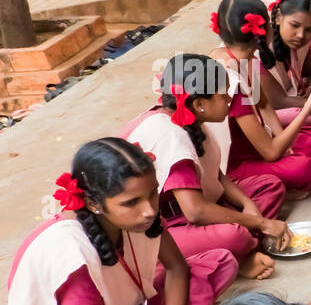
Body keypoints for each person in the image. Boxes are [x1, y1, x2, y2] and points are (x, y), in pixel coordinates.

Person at [6, 139, 237, 305]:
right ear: (94, 204)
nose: (149, 209)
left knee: (219, 261)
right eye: (131, 203)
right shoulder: (72, 254)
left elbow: (177, 267)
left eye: (153, 193)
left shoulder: (142, 216)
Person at [121, 53, 288, 279]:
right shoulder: (170, 136)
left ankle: (246, 246)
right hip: (164, 228)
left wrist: (247, 204)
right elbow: (195, 211)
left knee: (269, 186)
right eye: (223, 96)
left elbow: (214, 174)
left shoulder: (189, 118)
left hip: (198, 206)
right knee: (235, 236)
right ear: (200, 103)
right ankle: (243, 252)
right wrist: (259, 222)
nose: (230, 100)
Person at [209, 0, 311, 192]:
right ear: (266, 29)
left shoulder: (246, 60)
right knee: (305, 169)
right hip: (237, 164)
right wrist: (309, 106)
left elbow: (264, 105)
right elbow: (269, 152)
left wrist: (286, 145)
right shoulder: (228, 78)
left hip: (261, 144)